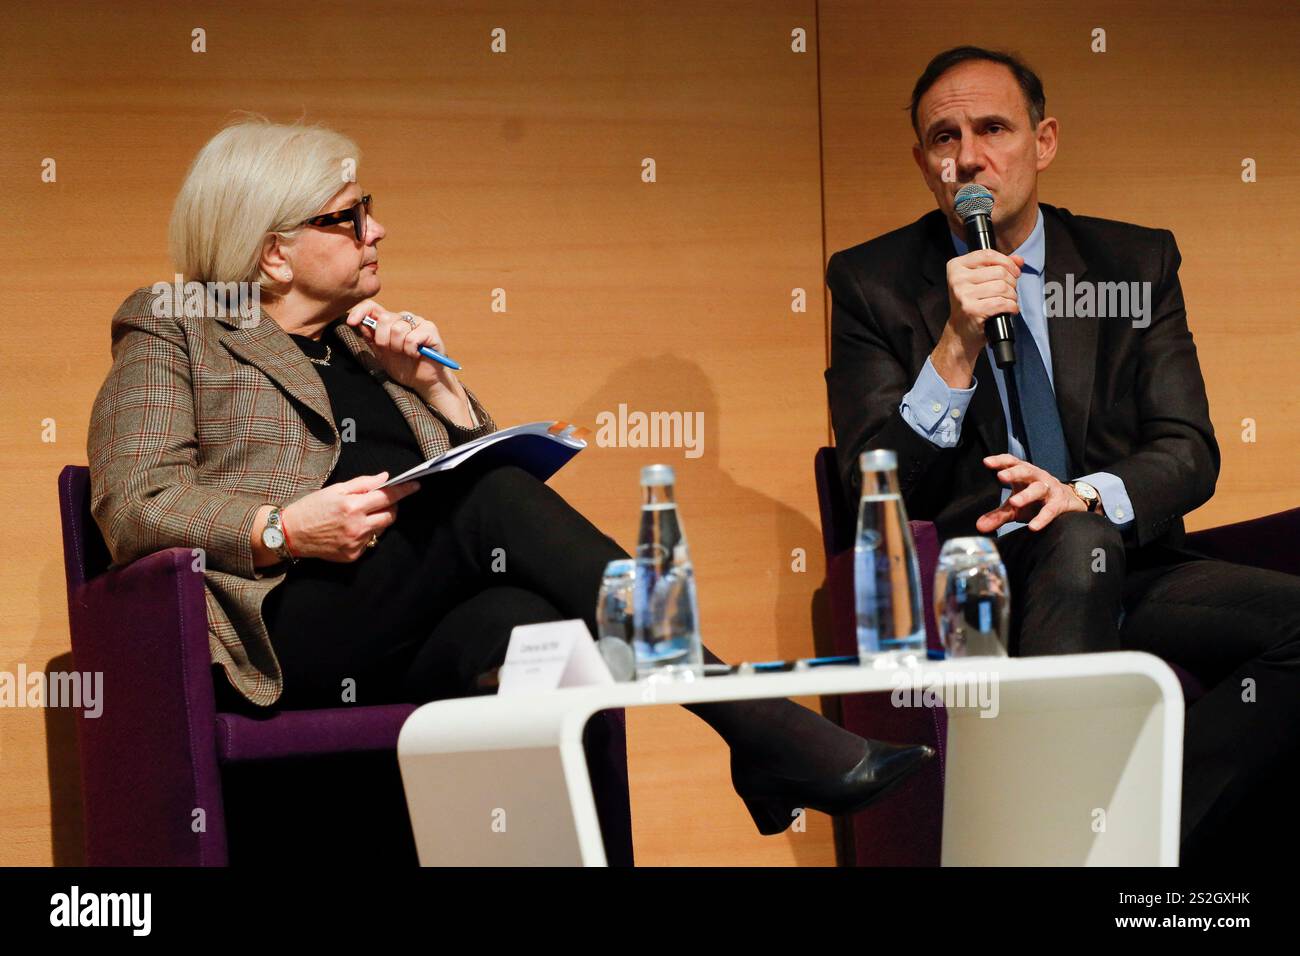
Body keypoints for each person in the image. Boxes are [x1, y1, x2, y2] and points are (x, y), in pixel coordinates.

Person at [87, 116, 932, 843]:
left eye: (368, 208)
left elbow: (485, 483)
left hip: (412, 635)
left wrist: (434, 388)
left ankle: (727, 757)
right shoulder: (177, 329)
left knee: (535, 626)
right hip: (287, 627)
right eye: (348, 217)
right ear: (274, 253)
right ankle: (755, 723)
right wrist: (282, 528)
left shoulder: (370, 345)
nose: (378, 230)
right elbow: (134, 505)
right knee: (493, 509)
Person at [824, 45, 1300, 864]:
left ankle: (1122, 834)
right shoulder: (872, 282)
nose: (969, 157)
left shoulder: (1132, 263)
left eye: (993, 129)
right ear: (923, 162)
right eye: (944, 138)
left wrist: (1084, 494)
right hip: (979, 579)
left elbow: (1188, 449)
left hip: (1130, 563)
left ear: (1043, 142)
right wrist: (955, 347)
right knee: (1074, 545)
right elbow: (871, 486)